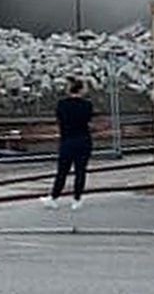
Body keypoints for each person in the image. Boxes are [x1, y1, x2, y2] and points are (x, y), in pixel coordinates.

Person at [41, 77, 93, 211]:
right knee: (80, 171)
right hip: (83, 140)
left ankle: (54, 197)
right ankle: (77, 199)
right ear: (81, 89)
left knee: (62, 171)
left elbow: (59, 119)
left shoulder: (62, 104)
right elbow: (88, 120)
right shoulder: (87, 105)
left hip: (67, 140)